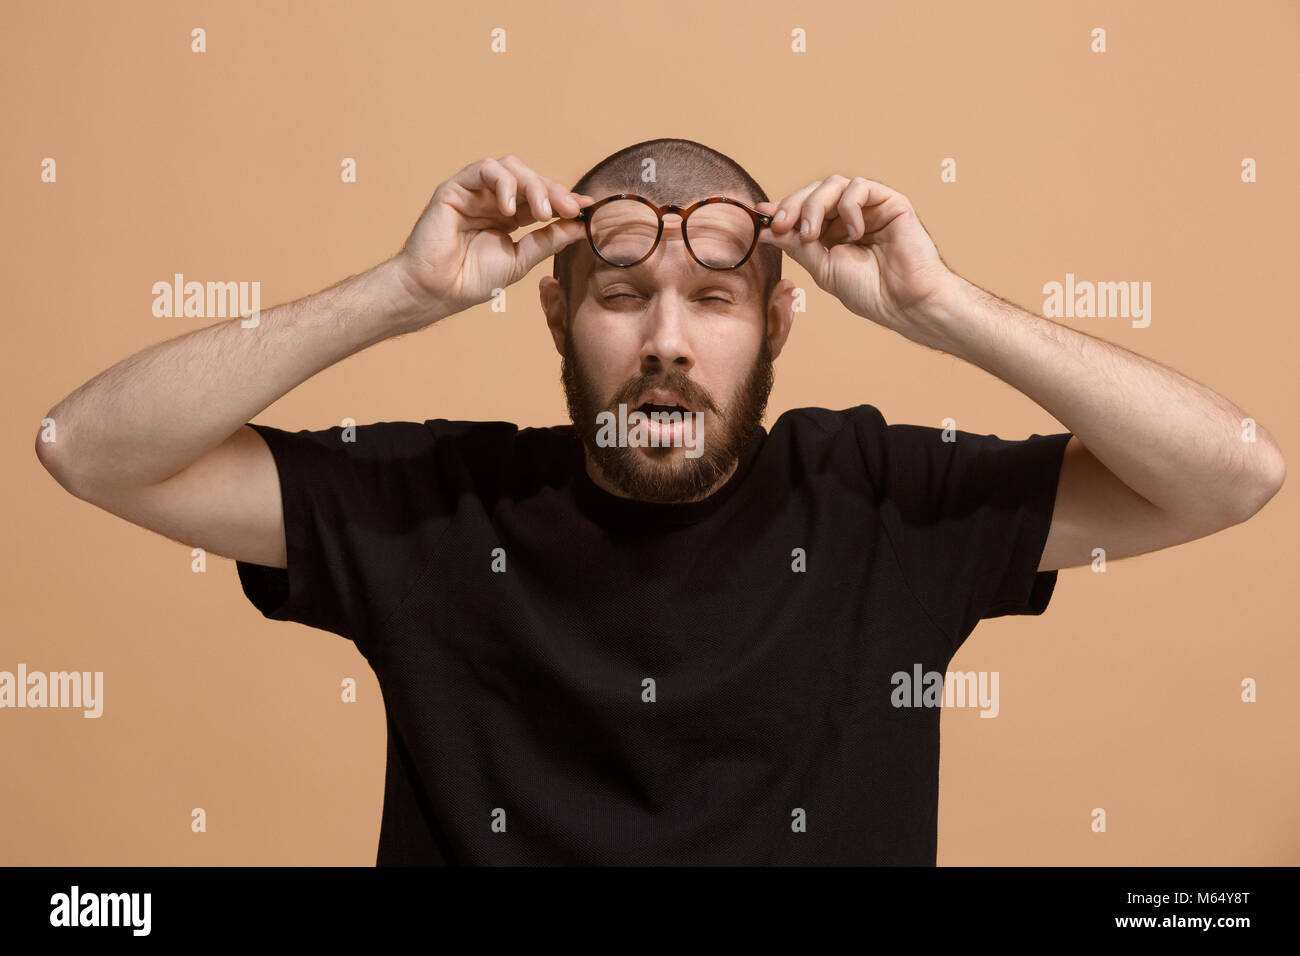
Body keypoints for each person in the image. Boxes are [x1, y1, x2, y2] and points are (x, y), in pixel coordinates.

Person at [35, 137, 1285, 865]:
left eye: (716, 300)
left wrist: (942, 310)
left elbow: (1232, 472)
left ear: (779, 318)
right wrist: (400, 294)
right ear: (559, 316)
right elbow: (88, 447)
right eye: (624, 297)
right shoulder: (435, 504)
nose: (666, 341)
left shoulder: (885, 500)